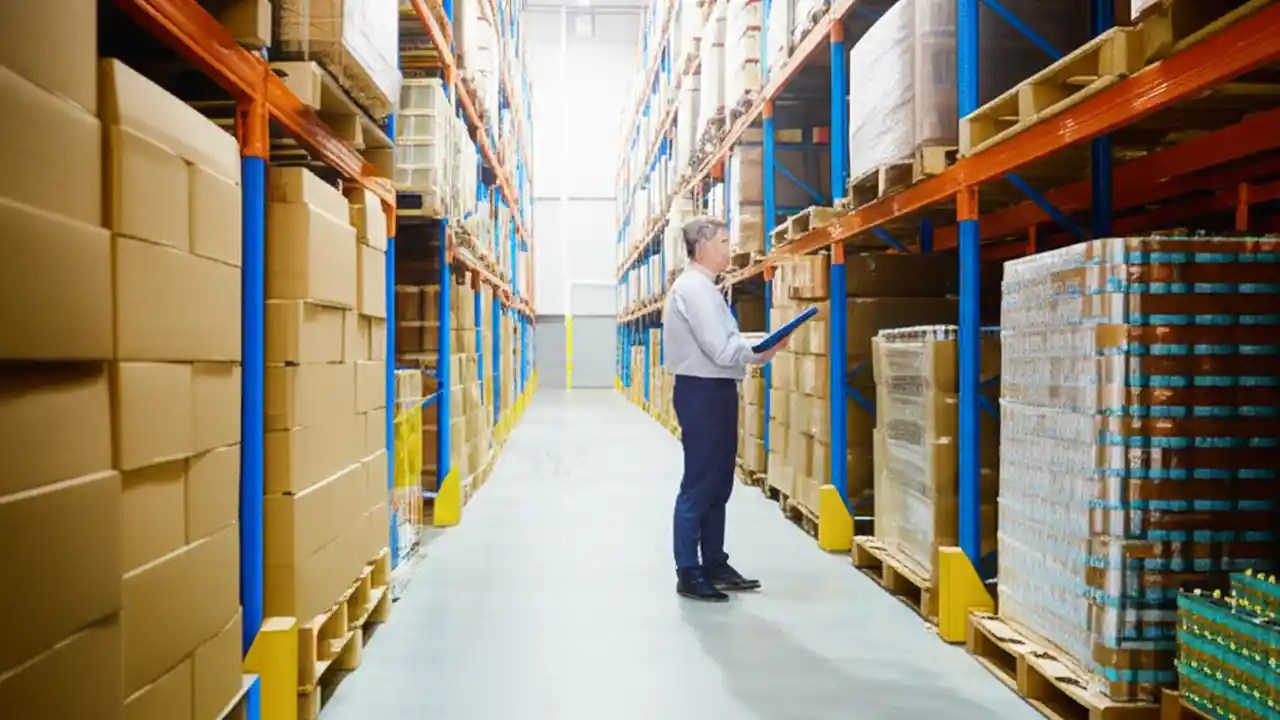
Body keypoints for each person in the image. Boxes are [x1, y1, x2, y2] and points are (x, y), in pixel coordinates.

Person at [661, 216, 784, 602]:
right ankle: (689, 571)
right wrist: (761, 350)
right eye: (725, 242)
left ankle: (714, 562)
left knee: (718, 482)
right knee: (699, 483)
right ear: (702, 246)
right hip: (702, 392)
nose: (730, 249)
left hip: (716, 389)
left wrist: (760, 347)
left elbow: (727, 342)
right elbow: (720, 348)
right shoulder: (694, 290)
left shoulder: (708, 289)